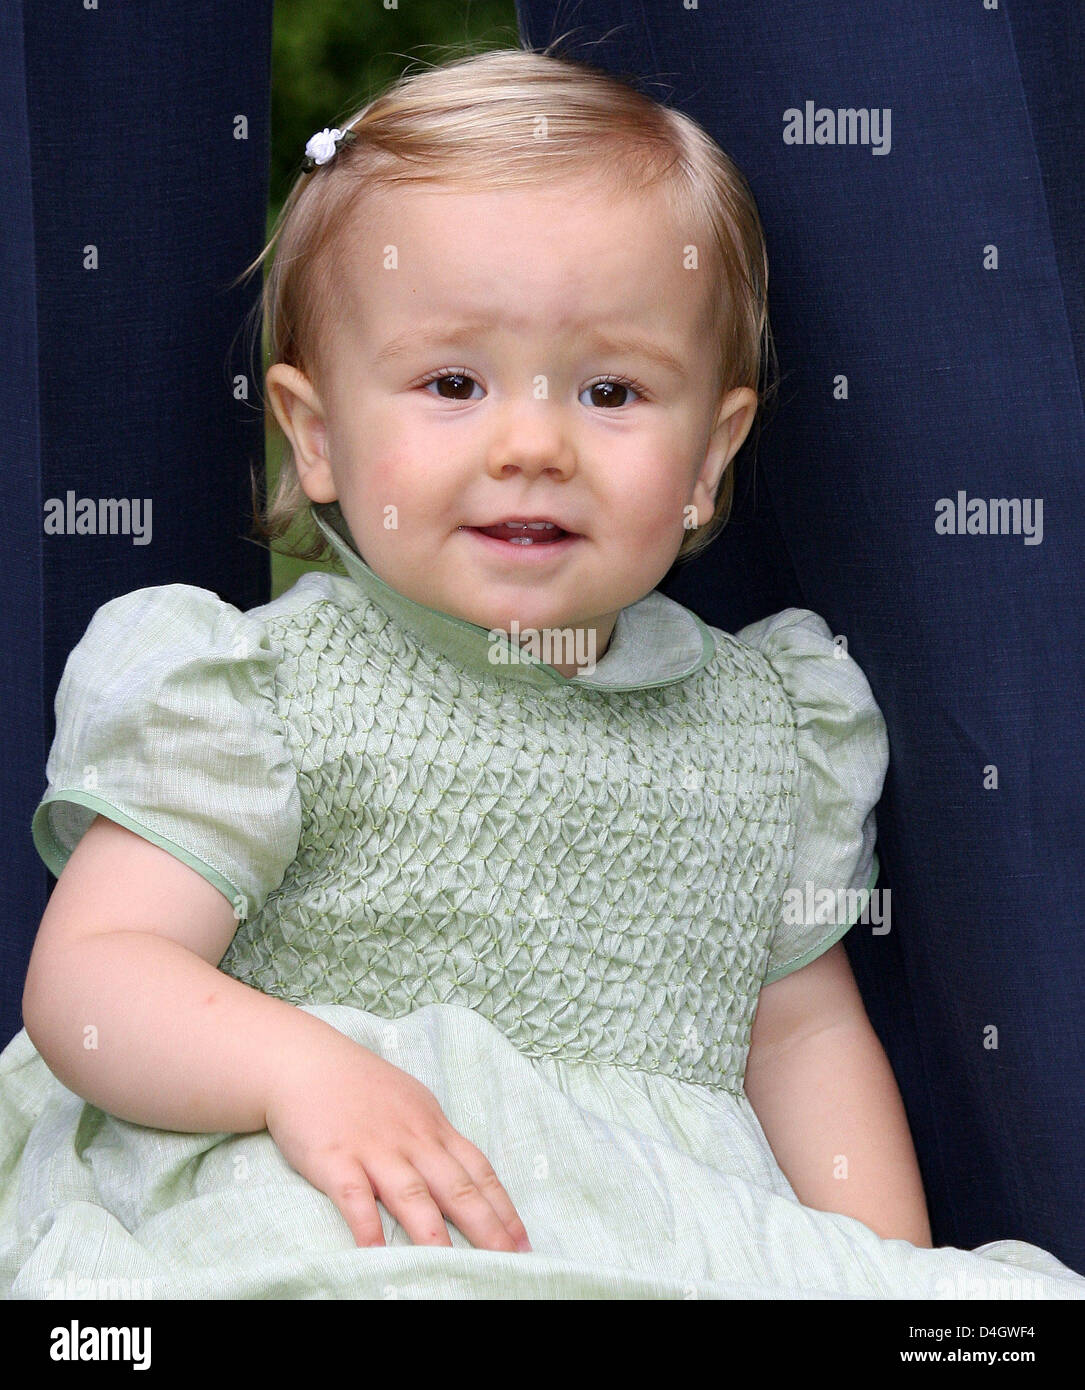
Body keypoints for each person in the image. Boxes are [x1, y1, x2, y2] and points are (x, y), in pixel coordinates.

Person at [2, 45, 1081, 1299]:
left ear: (708, 456)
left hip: (669, 1228)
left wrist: (886, 1272)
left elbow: (802, 1036)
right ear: (314, 434)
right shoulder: (260, 690)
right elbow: (95, 973)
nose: (532, 444)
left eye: (611, 389)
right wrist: (299, 1073)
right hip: (353, 1193)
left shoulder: (773, 726)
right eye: (452, 383)